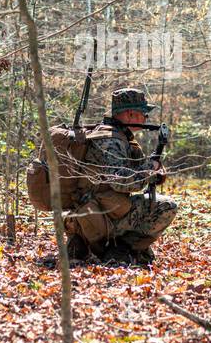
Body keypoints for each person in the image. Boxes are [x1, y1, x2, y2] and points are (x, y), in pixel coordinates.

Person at [64, 87, 176, 264]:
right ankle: (118, 249)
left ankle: (83, 244)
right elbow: (120, 181)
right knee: (167, 206)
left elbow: (126, 173)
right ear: (130, 114)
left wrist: (155, 173)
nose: (145, 119)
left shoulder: (114, 135)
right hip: (96, 215)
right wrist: (149, 169)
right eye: (143, 113)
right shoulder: (110, 140)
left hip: (92, 213)